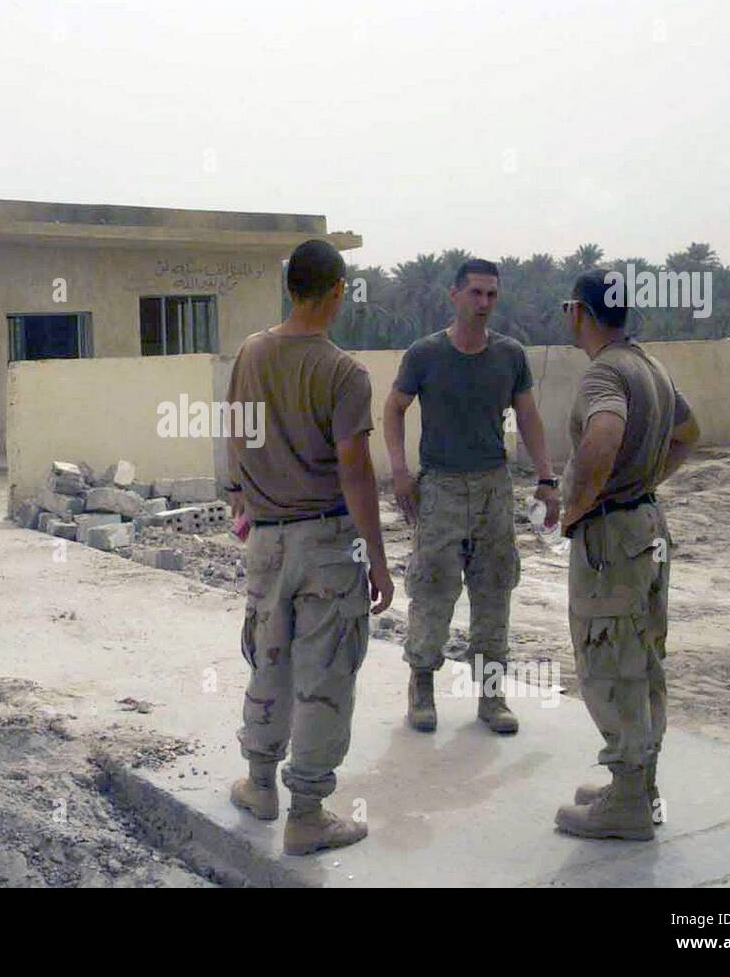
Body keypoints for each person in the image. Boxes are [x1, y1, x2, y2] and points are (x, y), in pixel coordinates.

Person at [225, 238, 394, 856]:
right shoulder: (344, 373)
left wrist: (240, 499)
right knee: (325, 674)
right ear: (337, 291)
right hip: (328, 543)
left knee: (269, 661)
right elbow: (356, 473)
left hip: (266, 542)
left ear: (288, 288)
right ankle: (308, 813)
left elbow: (236, 438)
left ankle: (260, 784)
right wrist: (376, 557)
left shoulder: (250, 354)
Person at [553, 270, 700, 840]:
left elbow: (604, 433)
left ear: (579, 313)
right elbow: (689, 431)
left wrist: (578, 505)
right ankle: (637, 784)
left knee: (609, 661)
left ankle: (628, 802)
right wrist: (643, 483)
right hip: (647, 525)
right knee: (642, 656)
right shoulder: (650, 366)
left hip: (613, 536)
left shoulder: (605, 373)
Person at [383, 259, 558, 735]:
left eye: (491, 295)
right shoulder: (425, 355)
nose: (484, 304)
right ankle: (421, 685)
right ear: (454, 295)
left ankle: (492, 696)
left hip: (493, 487)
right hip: (438, 486)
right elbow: (394, 409)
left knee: (494, 587)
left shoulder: (510, 355)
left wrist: (547, 477)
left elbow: (528, 416)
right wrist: (400, 471)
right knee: (433, 587)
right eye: (475, 293)